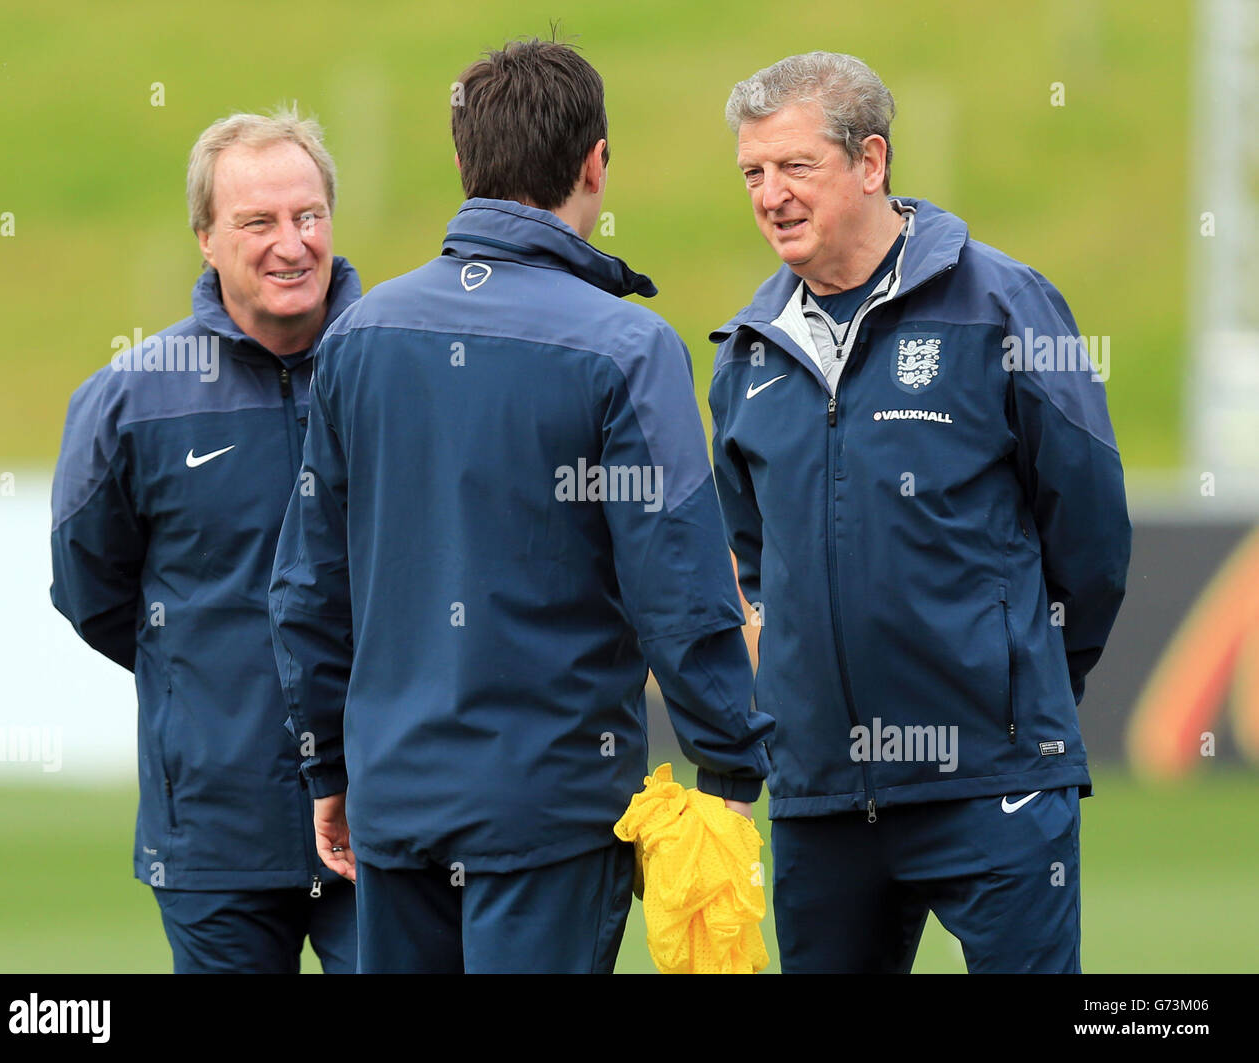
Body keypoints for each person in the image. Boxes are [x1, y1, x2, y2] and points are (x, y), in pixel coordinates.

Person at [268, 37, 775, 974]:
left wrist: (328, 768)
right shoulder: (627, 346)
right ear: (595, 163)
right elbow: (678, 580)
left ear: (463, 162)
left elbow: (307, 583)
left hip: (395, 800)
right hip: (553, 810)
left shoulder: (361, 335)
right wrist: (729, 764)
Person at [708, 52, 1131, 973]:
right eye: (753, 172)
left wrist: (1027, 688)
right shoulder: (745, 353)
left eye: (795, 167)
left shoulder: (1002, 304)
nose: (770, 194)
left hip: (996, 786)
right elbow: (750, 564)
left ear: (872, 162)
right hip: (821, 803)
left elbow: (1091, 532)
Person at [50, 108, 362, 974]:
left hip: (389, 817)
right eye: (257, 222)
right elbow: (91, 593)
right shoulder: (131, 401)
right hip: (214, 833)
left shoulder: (403, 369)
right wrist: (206, 680)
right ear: (205, 237)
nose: (291, 244)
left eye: (308, 216)